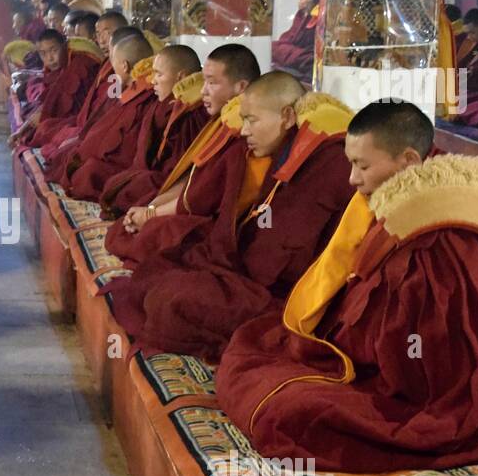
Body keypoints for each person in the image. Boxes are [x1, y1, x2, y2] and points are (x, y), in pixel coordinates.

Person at [216, 99, 478, 472]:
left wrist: (349, 344)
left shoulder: (439, 238)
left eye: (362, 166)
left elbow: (426, 353)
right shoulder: (409, 198)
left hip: (441, 395)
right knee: (255, 348)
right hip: (407, 366)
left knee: (286, 412)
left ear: (409, 161)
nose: (352, 179)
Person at [105, 73, 355, 361]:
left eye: (252, 120)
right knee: (156, 277)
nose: (244, 130)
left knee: (172, 302)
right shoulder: (278, 152)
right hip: (243, 271)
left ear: (287, 117)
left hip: (279, 296)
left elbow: (290, 260)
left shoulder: (327, 164)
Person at [104, 43, 260, 265]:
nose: (203, 90)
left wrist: (151, 215)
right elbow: (192, 177)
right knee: (135, 213)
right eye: (204, 81)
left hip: (215, 225)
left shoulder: (241, 134)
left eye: (212, 83)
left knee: (155, 235)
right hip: (191, 206)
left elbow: (202, 197)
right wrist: (151, 208)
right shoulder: (221, 122)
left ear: (241, 87)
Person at [48, 33, 159, 199]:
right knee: (70, 155)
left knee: (86, 171)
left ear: (124, 66)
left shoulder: (146, 95)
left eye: (114, 65)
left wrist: (86, 149)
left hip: (126, 166)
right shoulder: (132, 89)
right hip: (116, 160)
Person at [99, 44, 205, 214]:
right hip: (149, 173)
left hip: (170, 184)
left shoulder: (192, 113)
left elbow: (180, 172)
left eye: (159, 74)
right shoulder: (163, 103)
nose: (152, 80)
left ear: (181, 77)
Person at [9, 30, 102, 147]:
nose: (50, 58)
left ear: (64, 46)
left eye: (54, 51)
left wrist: (29, 126)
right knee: (43, 126)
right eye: (43, 54)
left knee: (46, 130)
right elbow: (50, 101)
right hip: (67, 119)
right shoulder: (55, 70)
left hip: (86, 118)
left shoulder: (79, 63)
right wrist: (22, 130)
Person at [270, 0, 320, 81]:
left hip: (309, 59)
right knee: (272, 47)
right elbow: (289, 38)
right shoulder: (304, 15)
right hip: (298, 57)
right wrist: (303, 13)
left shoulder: (319, 15)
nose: (302, 2)